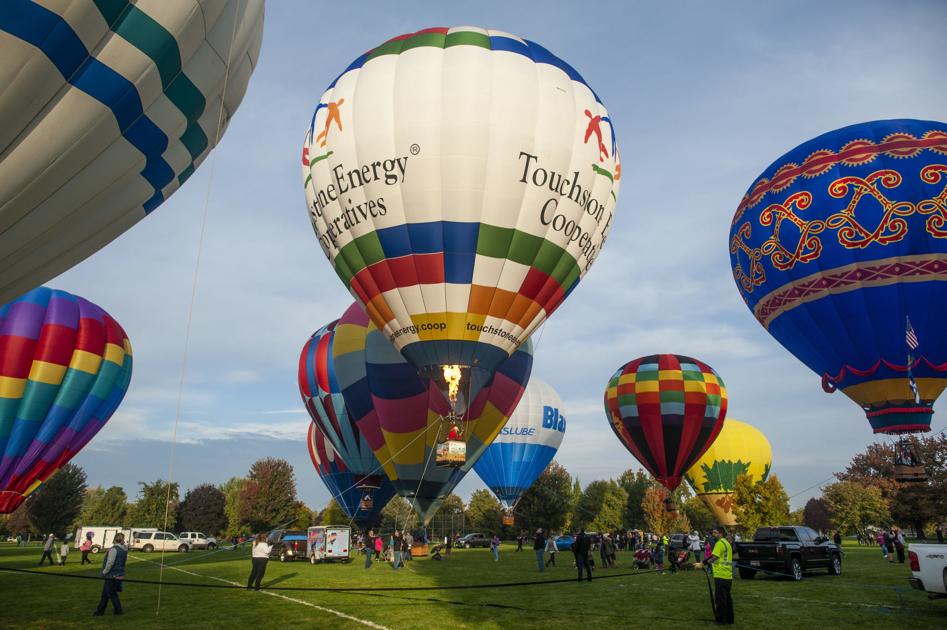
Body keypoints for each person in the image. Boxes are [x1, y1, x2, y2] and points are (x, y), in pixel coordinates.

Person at [698, 526, 734, 625]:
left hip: (721, 575)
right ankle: (730, 619)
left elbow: (713, 558)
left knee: (720, 599)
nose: (713, 535)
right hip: (727, 575)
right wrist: (702, 562)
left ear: (720, 533)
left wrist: (702, 564)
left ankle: (720, 620)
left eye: (715, 533)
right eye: (713, 533)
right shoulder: (726, 543)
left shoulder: (719, 543)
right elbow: (713, 556)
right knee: (727, 598)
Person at [93, 532, 127, 616]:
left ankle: (118, 611)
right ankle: (100, 611)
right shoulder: (124, 549)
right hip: (119, 574)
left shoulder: (114, 549)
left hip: (112, 575)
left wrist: (104, 572)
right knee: (105, 594)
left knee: (112, 594)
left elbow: (110, 563)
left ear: (114, 539)